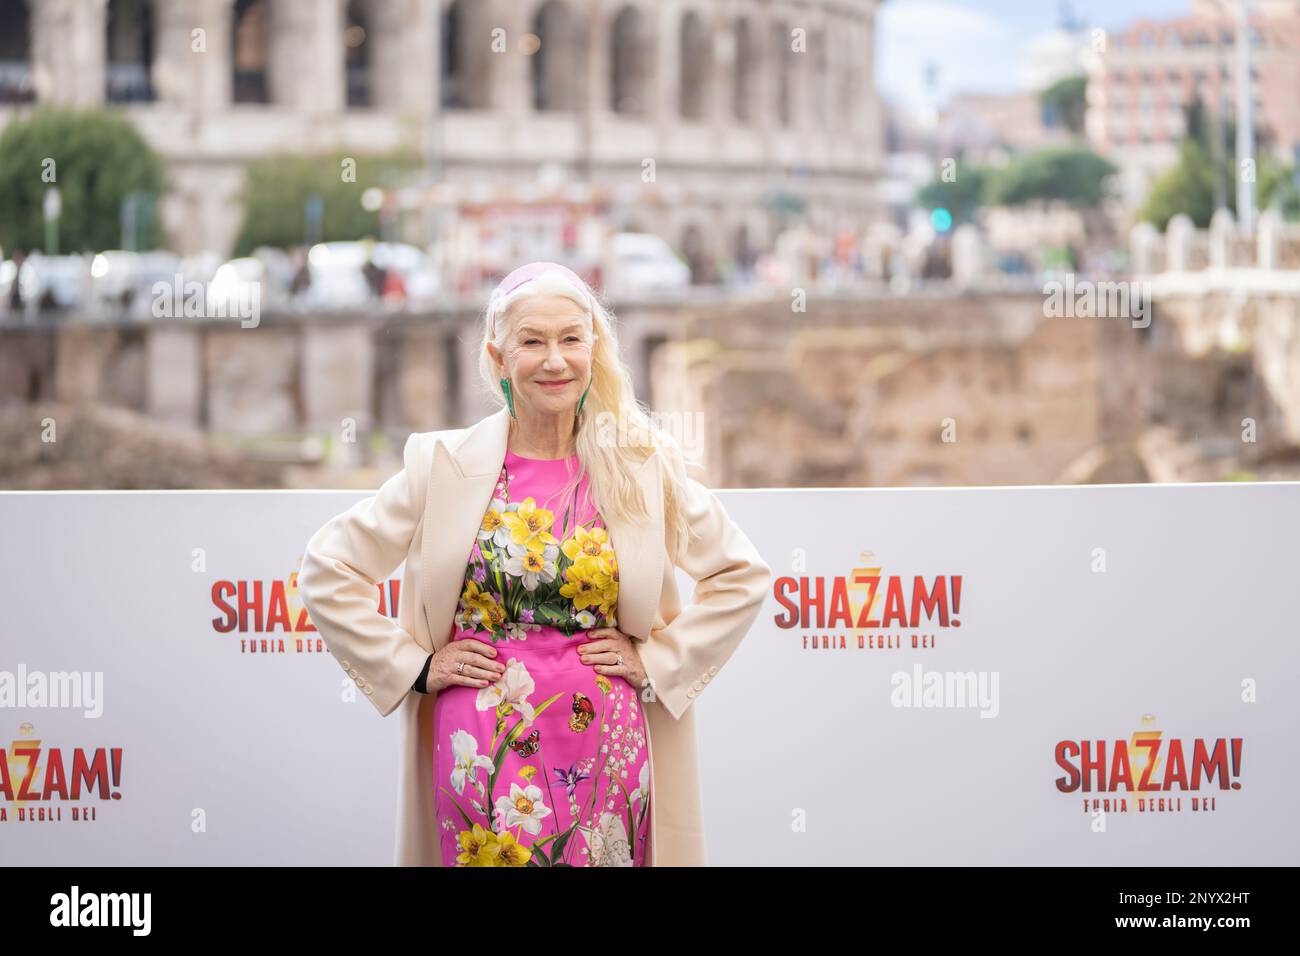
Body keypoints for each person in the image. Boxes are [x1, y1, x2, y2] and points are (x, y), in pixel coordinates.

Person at [298, 261, 771, 867]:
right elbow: (328, 567)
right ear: (498, 358)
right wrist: (413, 668)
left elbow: (741, 575)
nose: (555, 360)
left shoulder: (641, 465)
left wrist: (657, 661)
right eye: (533, 342)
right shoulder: (440, 463)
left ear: (593, 350)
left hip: (607, 741)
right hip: (481, 747)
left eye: (572, 339)